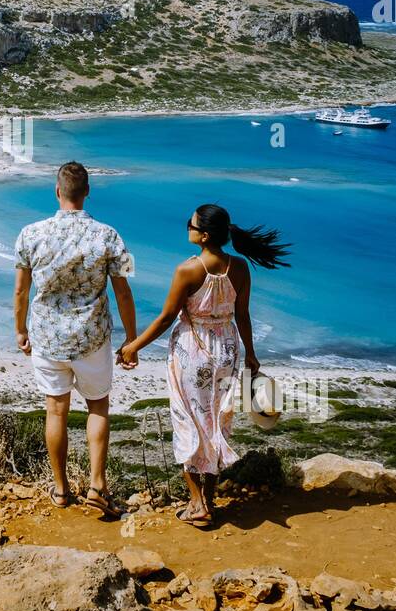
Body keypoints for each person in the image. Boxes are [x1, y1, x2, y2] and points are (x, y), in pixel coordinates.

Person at [117, 203, 289, 528]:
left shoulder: (188, 270)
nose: (188, 228)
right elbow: (243, 316)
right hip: (226, 350)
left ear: (204, 235)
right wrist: (251, 352)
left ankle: (197, 504)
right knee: (214, 424)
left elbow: (167, 317)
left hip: (192, 353)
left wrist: (133, 346)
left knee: (188, 422)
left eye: (191, 224)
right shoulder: (239, 267)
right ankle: (208, 499)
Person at [14, 161, 136, 515]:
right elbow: (124, 293)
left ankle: (61, 489)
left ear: (57, 191)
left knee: (56, 410)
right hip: (92, 338)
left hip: (48, 337)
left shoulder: (30, 234)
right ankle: (98, 486)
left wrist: (20, 330)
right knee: (98, 406)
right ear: (87, 193)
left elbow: (21, 291)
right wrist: (131, 339)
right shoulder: (109, 235)